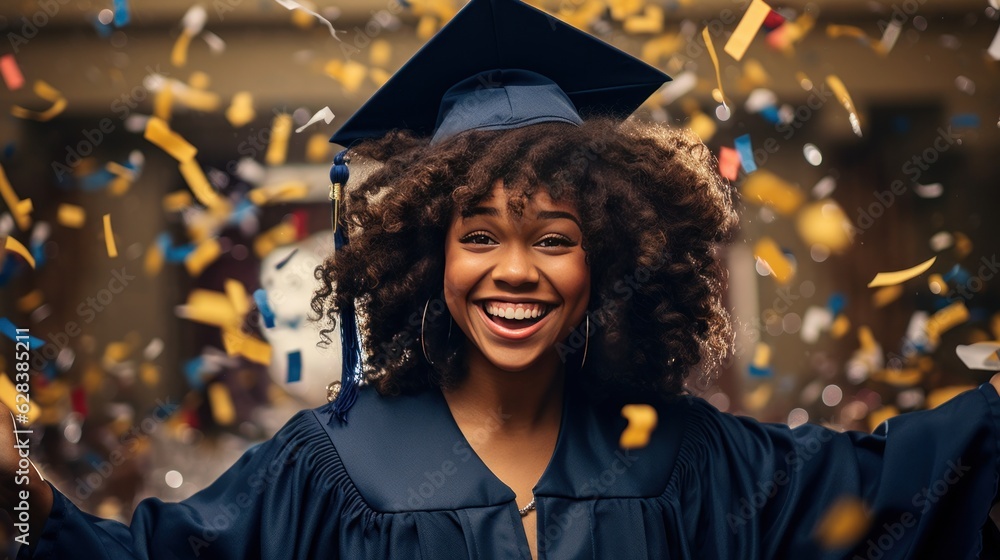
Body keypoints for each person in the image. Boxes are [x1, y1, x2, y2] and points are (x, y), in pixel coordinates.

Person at [4, 0, 1000, 558]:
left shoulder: (688, 456)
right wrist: (20, 492)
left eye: (553, 236)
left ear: (602, 258)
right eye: (477, 234)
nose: (513, 269)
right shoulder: (327, 466)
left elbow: (891, 492)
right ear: (427, 254)